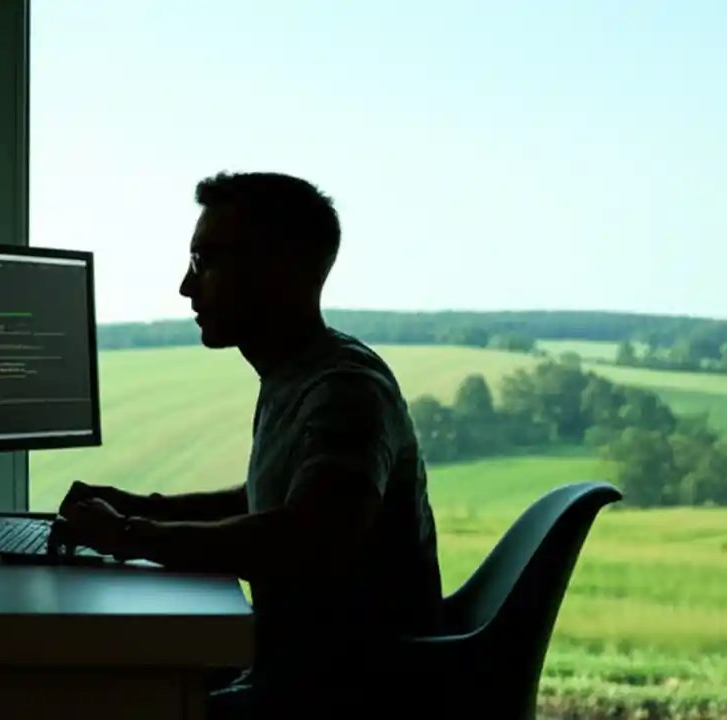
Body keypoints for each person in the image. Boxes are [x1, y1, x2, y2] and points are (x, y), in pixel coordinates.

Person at [51, 171, 442, 718]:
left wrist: (126, 534)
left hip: (342, 694)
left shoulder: (345, 389)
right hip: (306, 674)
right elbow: (267, 504)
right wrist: (138, 508)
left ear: (279, 270)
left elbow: (310, 538)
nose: (187, 288)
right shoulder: (301, 373)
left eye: (204, 262)